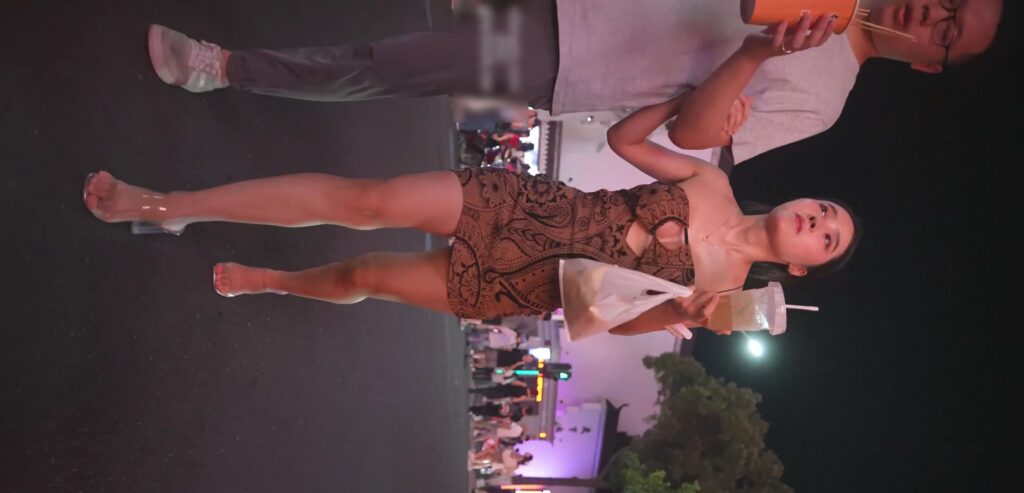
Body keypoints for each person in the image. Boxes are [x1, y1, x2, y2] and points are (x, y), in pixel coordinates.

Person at [83, 61, 861, 335]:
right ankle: (171, 205)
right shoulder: (713, 180)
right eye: (825, 211)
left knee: (365, 276)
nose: (816, 221)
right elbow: (628, 141)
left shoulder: (726, 299)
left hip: (524, 285)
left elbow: (613, 323)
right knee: (366, 200)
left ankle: (276, 281)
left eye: (825, 238)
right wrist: (690, 101)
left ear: (799, 269)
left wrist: (681, 315)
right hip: (532, 207)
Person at [145, 0, 1003, 164]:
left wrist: (756, 55)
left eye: (947, 28)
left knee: (394, 64)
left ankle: (224, 69)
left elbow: (693, 137)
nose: (934, 10)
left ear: (929, 62)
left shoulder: (823, 97)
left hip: (568, 52)